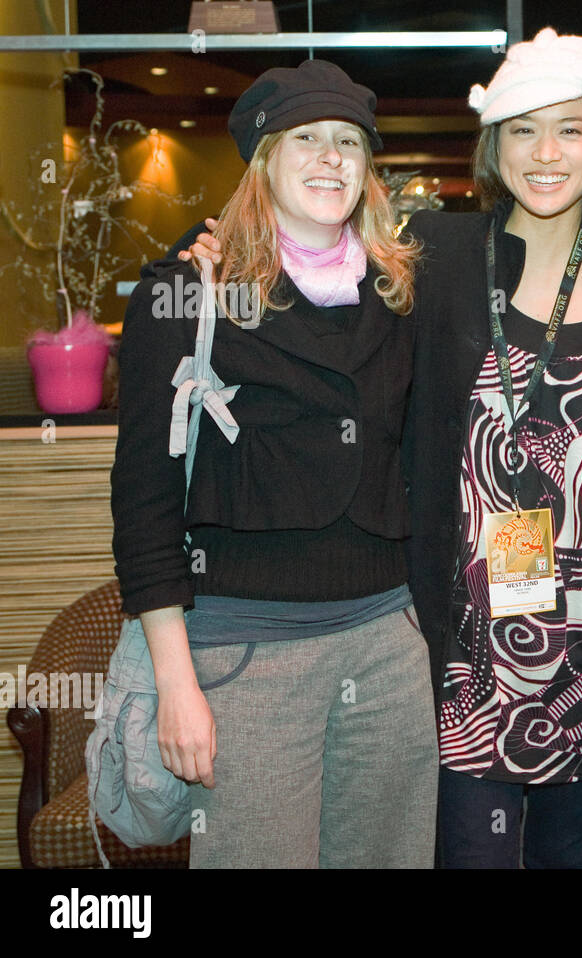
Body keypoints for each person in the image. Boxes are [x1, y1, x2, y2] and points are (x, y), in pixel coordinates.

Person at [112, 59, 438, 868]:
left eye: (348, 144)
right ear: (263, 160)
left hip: (386, 645)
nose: (331, 158)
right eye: (306, 141)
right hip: (244, 654)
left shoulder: (399, 297)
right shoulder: (190, 295)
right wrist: (176, 684)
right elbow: (144, 505)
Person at [401, 28, 582, 868]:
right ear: (495, 147)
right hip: (463, 658)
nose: (547, 152)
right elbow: (308, 271)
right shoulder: (436, 259)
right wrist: (199, 262)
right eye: (523, 128)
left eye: (570, 127)